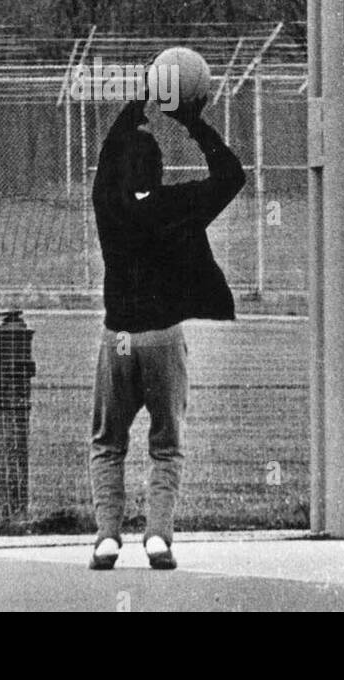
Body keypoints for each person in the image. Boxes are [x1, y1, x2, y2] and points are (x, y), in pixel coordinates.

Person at [88, 90, 245, 571]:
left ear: (121, 170)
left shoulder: (108, 206)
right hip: (163, 337)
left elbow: (104, 162)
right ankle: (158, 537)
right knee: (166, 445)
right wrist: (191, 122)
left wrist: (134, 107)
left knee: (107, 442)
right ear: (159, 169)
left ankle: (107, 539)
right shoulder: (180, 204)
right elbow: (231, 176)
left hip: (117, 337)